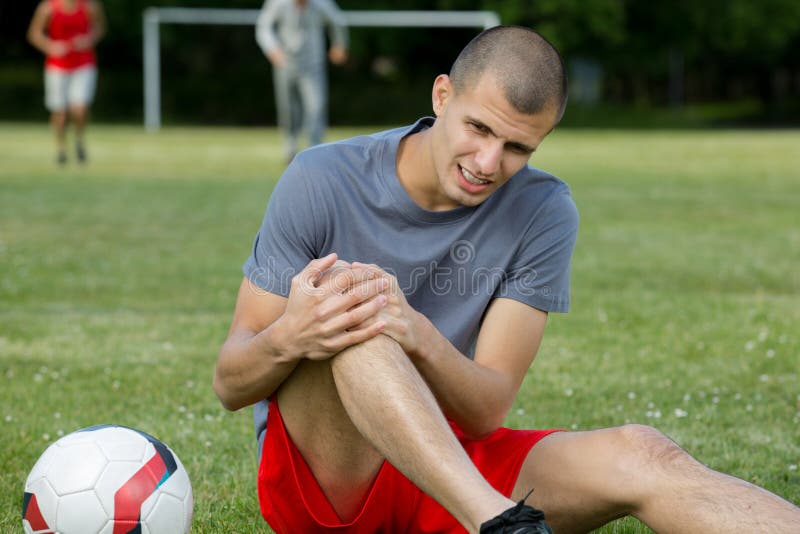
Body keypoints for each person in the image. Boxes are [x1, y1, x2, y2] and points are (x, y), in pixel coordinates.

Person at [214, 25, 800, 533]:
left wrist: (417, 331)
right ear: (442, 95)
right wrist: (294, 336)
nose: (489, 163)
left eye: (518, 146)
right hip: (329, 483)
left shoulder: (544, 209)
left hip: (452, 463)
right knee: (359, 310)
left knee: (642, 452)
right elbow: (230, 383)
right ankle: (500, 524)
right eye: (478, 129)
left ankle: (494, 519)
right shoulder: (321, 178)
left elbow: (485, 409)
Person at [256, 0, 348, 163]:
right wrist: (272, 49)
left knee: (316, 105)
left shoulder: (321, 4)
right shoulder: (278, 3)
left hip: (313, 63)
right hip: (285, 62)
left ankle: (315, 148)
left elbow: (337, 22)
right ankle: (290, 147)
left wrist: (339, 45)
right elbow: (263, 27)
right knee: (288, 108)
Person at [27, 0, 106, 166]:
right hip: (57, 66)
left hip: (84, 64)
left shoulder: (90, 6)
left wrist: (88, 40)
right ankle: (61, 148)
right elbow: (34, 33)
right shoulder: (48, 8)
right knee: (60, 112)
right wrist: (51, 46)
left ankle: (79, 140)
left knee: (80, 109)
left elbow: (100, 29)